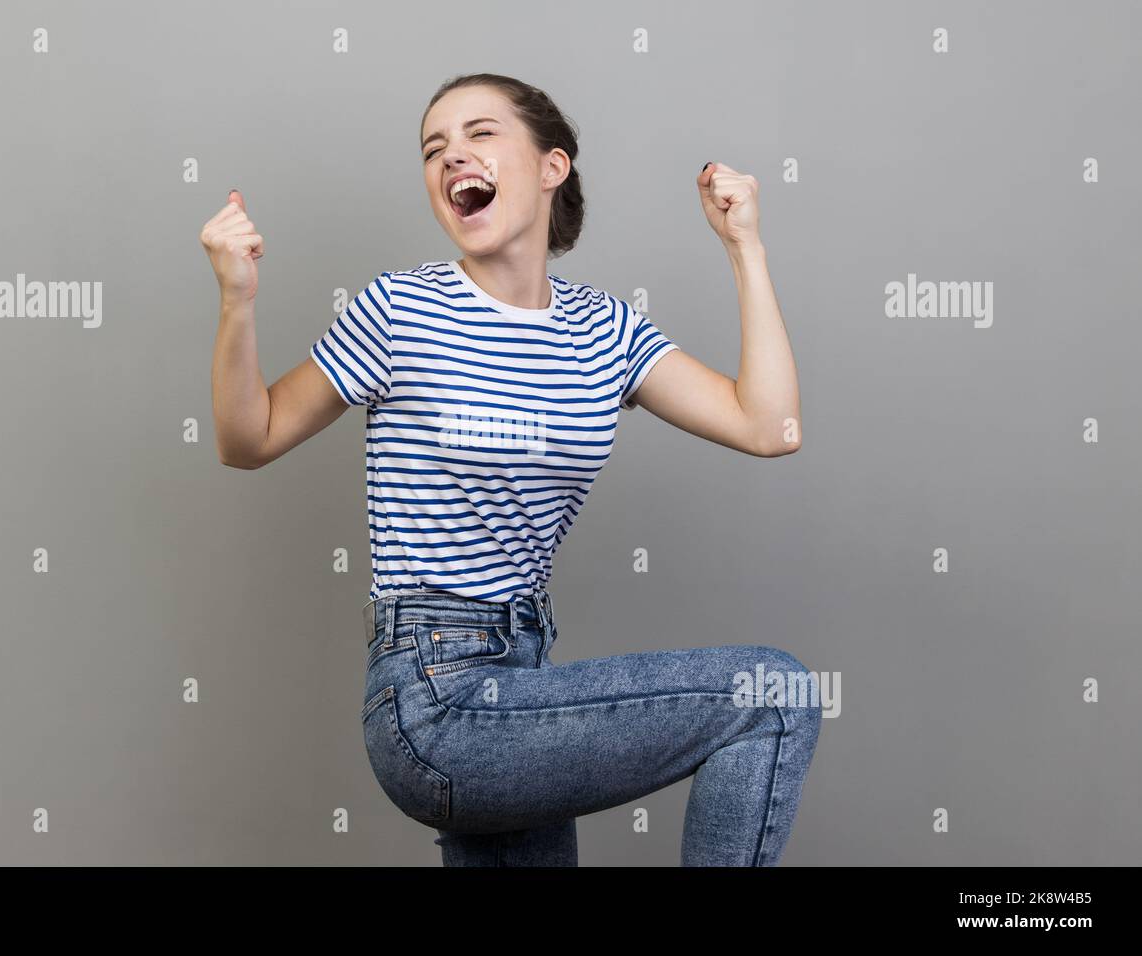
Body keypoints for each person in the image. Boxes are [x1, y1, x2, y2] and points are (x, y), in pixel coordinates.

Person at [201, 73, 820, 866]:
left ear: (551, 166)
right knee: (771, 695)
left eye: (480, 133)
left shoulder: (605, 330)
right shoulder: (400, 309)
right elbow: (245, 438)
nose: (452, 154)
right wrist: (237, 299)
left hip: (523, 682)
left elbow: (771, 427)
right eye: (434, 148)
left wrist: (746, 248)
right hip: (434, 699)